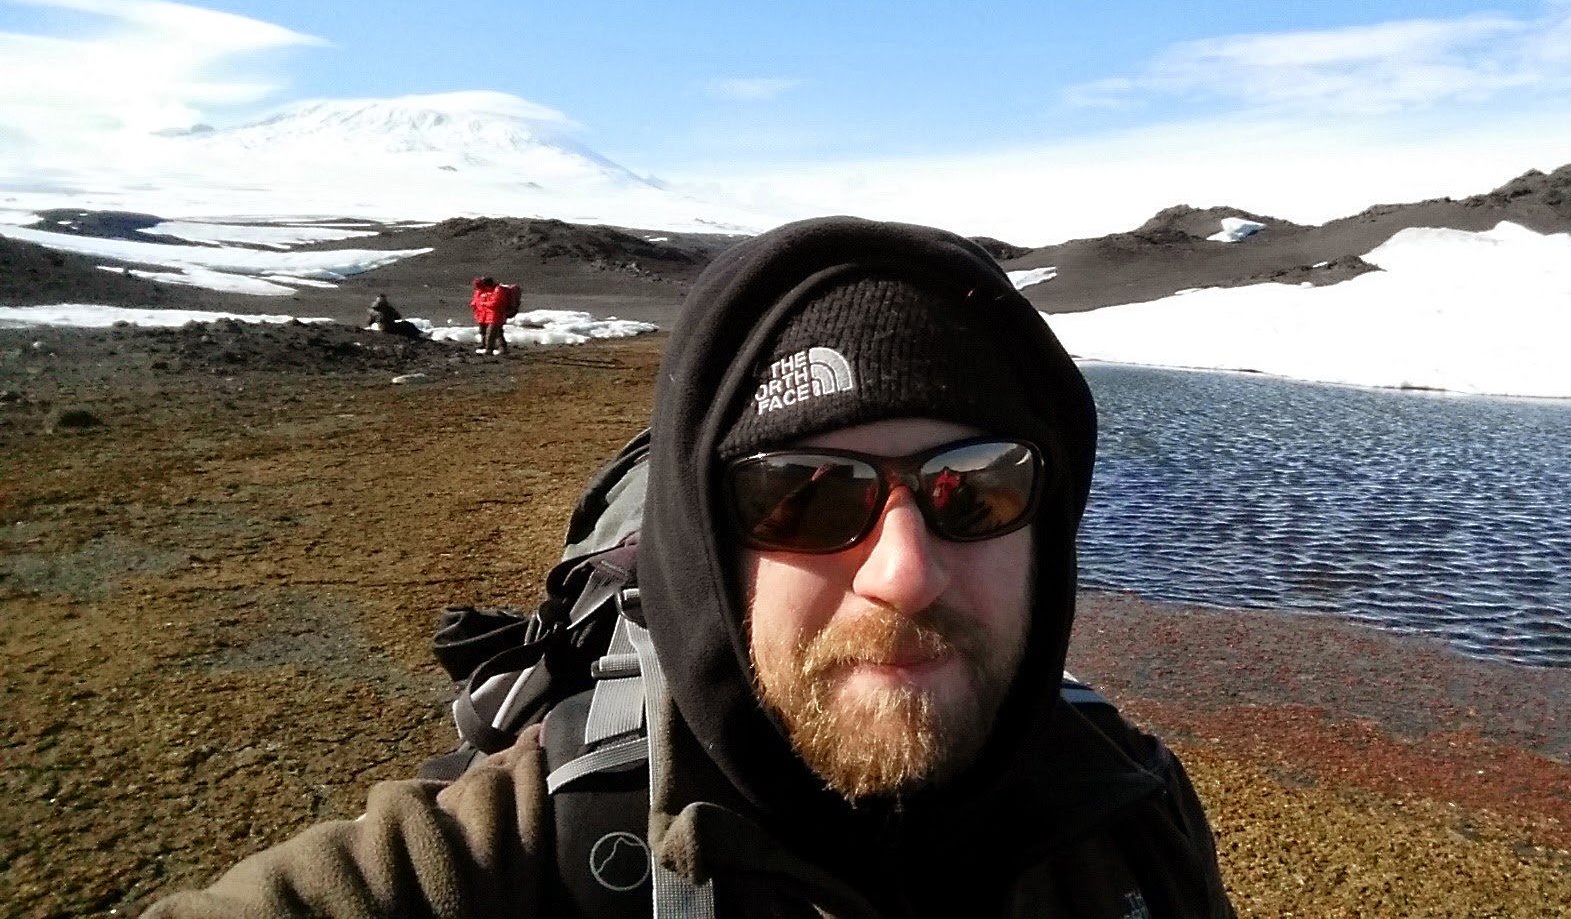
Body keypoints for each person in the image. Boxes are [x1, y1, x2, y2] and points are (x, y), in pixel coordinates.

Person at [145, 218, 1234, 918]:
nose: (905, 575)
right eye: (809, 496)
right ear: (704, 545)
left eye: (978, 488)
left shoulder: (1137, 821)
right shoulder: (514, 854)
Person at [470, 276, 506, 355]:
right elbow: (475, 302)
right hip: (483, 315)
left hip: (495, 316)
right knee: (487, 332)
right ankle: (491, 347)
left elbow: (495, 303)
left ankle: (490, 349)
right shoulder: (481, 291)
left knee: (492, 333)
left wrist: (484, 304)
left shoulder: (497, 290)